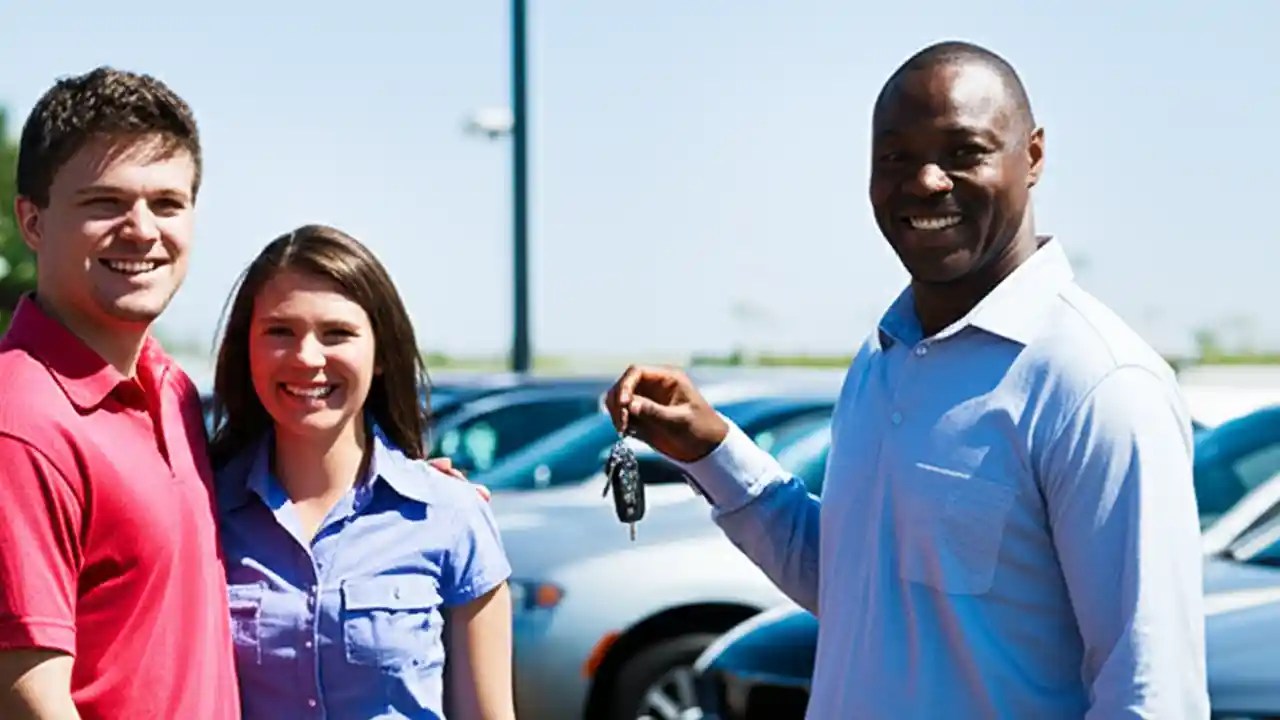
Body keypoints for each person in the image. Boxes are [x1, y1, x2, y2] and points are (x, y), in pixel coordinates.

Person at [606, 41, 1209, 719]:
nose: (925, 182)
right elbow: (854, 587)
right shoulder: (883, 357)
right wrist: (712, 453)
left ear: (1032, 156)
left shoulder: (1097, 384)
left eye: (963, 152)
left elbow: (1151, 694)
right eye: (895, 158)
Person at [0, 68, 240, 718]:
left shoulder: (172, 388)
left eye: (167, 203)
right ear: (32, 220)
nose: (142, 229)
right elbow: (28, 700)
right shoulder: (19, 425)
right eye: (105, 202)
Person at [209, 224, 516, 720]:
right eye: (280, 332)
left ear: (379, 356)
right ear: (247, 349)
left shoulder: (451, 516)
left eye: (337, 334)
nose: (308, 358)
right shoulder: (199, 515)